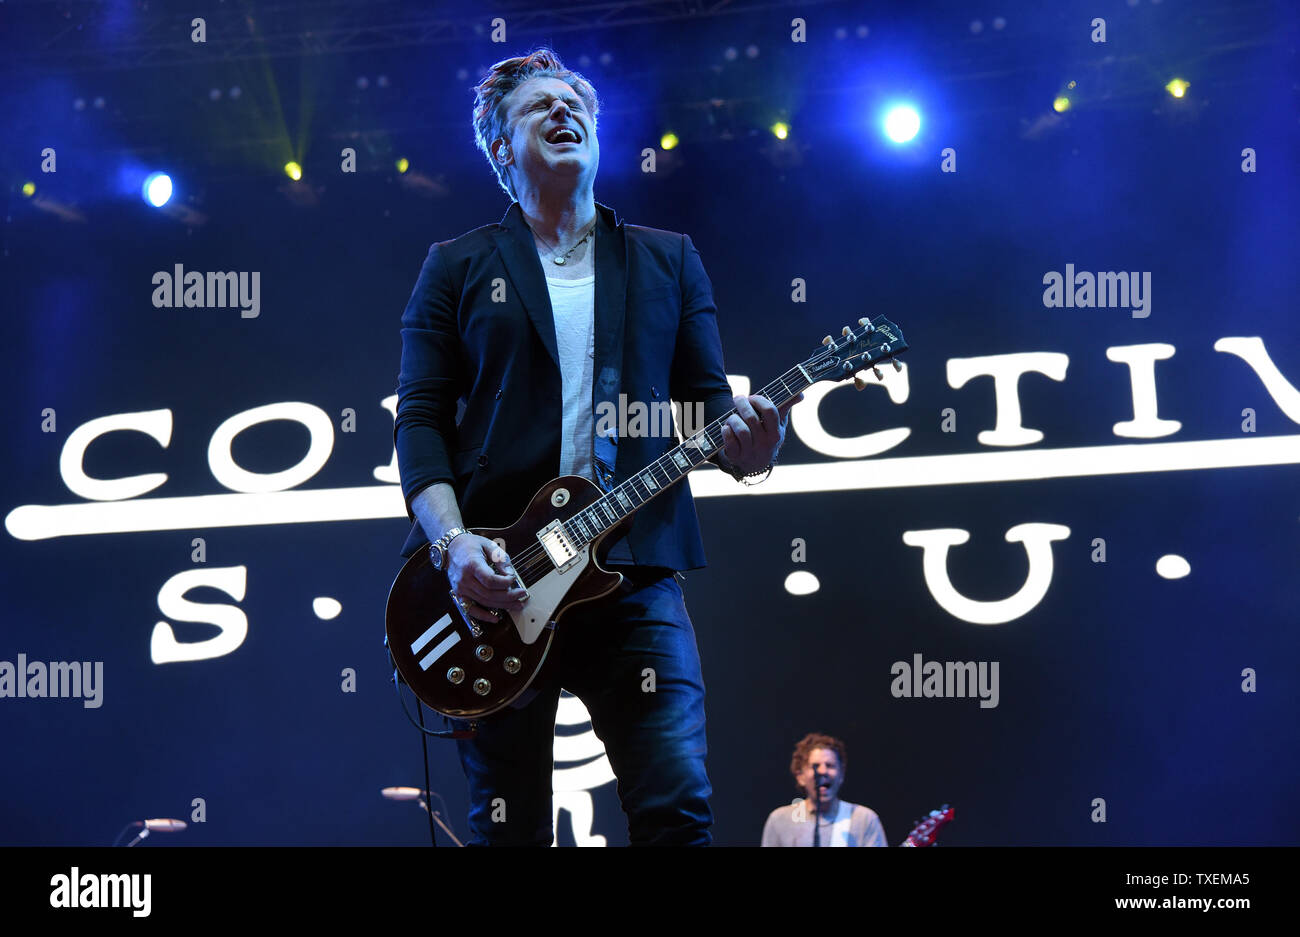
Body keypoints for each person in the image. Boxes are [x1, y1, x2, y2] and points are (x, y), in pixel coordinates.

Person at [393, 48, 801, 845]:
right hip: (500, 584)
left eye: (574, 103)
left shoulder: (665, 258)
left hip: (635, 571)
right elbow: (419, 421)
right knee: (507, 826)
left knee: (677, 804)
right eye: (537, 106)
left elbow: (709, 412)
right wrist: (453, 545)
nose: (562, 112)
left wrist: (753, 448)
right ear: (501, 150)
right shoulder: (456, 267)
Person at [761, 733, 888, 847]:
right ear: (800, 777)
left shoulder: (864, 819)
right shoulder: (779, 820)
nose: (823, 771)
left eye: (830, 765)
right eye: (815, 766)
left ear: (841, 774)